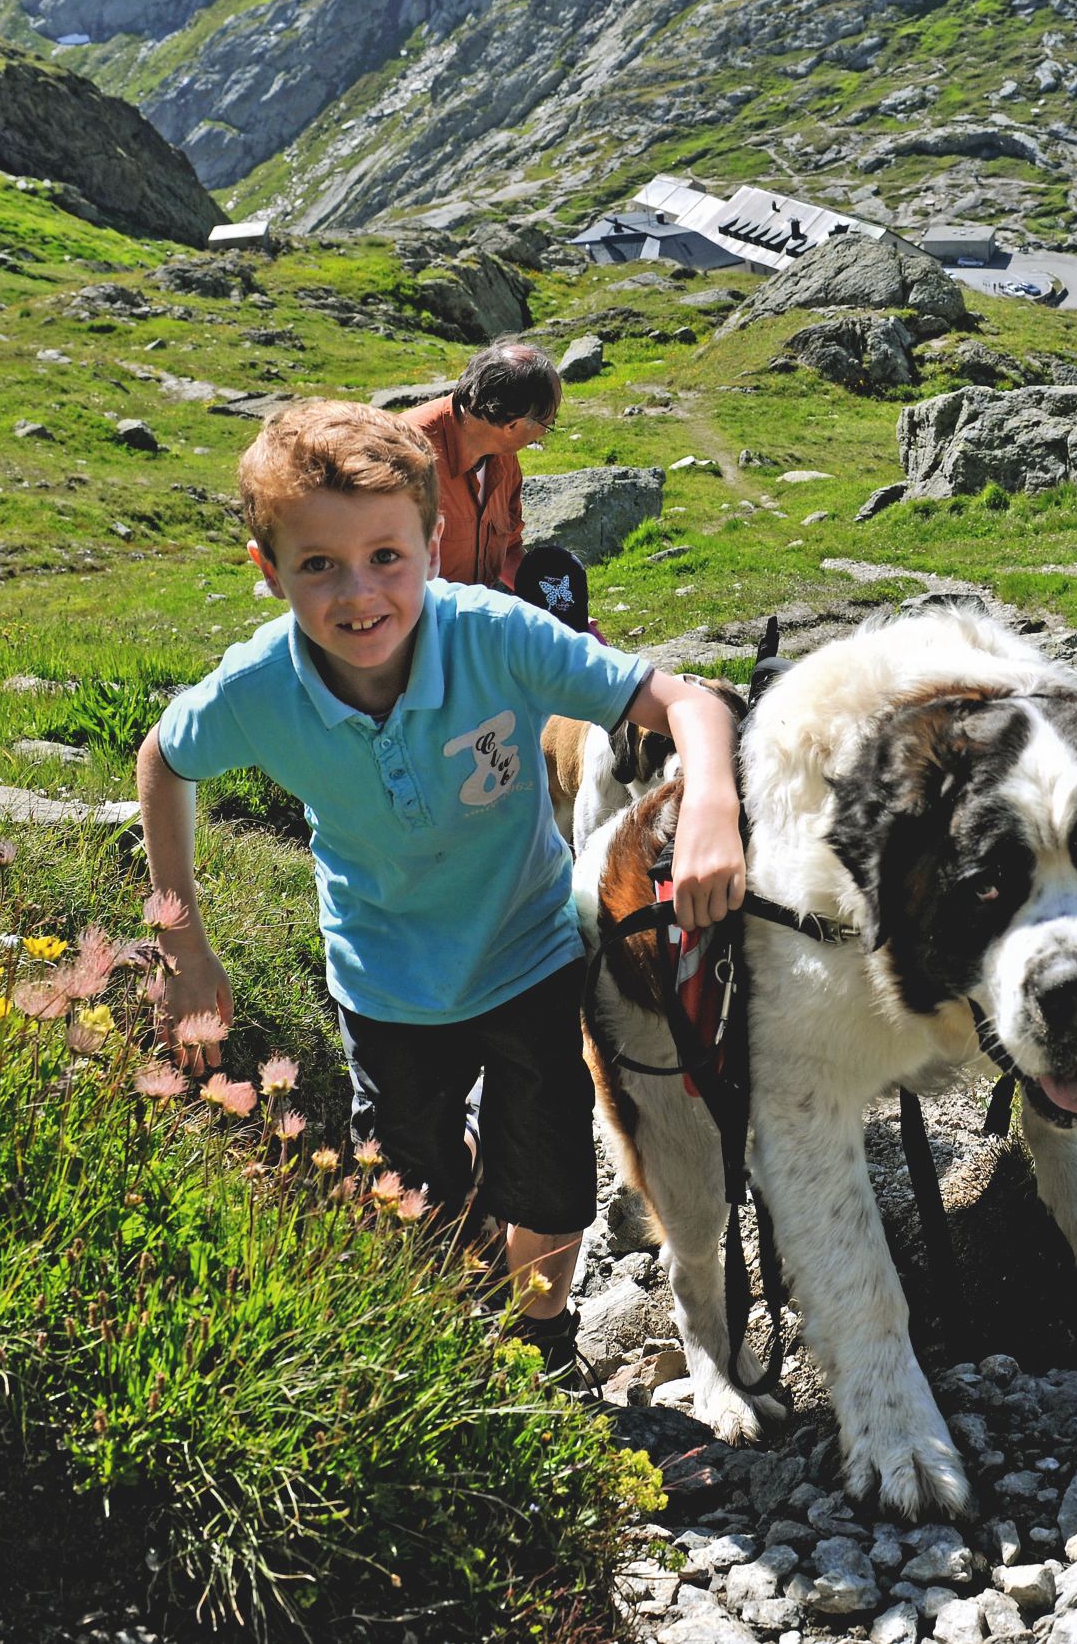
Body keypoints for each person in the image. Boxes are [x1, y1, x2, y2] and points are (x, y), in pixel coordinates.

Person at [134, 400, 746, 1385]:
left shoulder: (494, 635)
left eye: (387, 555)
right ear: (269, 570)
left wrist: (710, 799)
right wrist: (183, 943)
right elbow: (162, 758)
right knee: (414, 1194)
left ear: (432, 542)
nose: (359, 593)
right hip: (385, 976)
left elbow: (684, 701)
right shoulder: (256, 690)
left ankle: (539, 1342)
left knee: (549, 1182)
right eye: (318, 564)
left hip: (526, 946)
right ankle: (456, 1311)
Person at [408, 340, 561, 591]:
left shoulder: (502, 453)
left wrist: (558, 606)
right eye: (547, 425)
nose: (543, 435)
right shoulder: (408, 457)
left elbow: (508, 551)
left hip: (468, 622)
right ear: (513, 426)